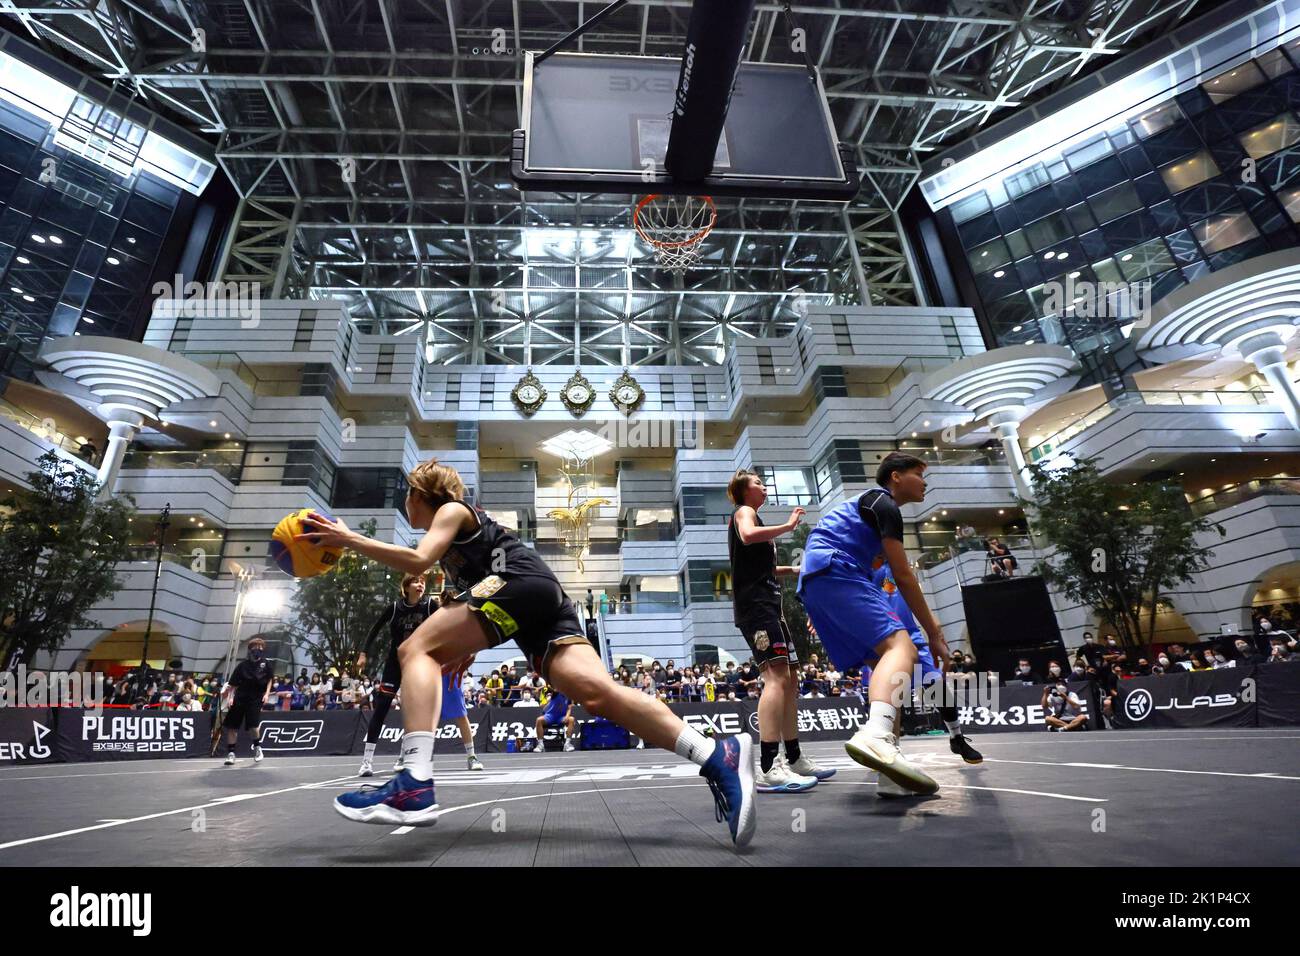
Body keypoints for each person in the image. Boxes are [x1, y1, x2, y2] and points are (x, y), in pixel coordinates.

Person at [302, 458, 756, 845]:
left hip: (519, 585)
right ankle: (718, 756)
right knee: (598, 694)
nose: (405, 503)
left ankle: (413, 781)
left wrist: (349, 539)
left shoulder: (452, 511)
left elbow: (419, 561)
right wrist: (460, 643)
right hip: (540, 601)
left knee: (412, 648)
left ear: (421, 494)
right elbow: (462, 594)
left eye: (407, 494)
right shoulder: (457, 546)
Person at [798, 451, 950, 794]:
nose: (925, 482)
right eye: (919, 473)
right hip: (835, 573)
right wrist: (935, 633)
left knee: (887, 665)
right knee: (902, 648)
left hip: (819, 583)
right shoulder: (884, 504)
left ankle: (889, 767)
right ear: (896, 476)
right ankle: (877, 735)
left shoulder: (863, 513)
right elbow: (904, 576)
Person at [726, 468, 831, 793]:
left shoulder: (758, 524)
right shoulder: (745, 514)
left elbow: (768, 570)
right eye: (758, 482)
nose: (763, 485)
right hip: (755, 609)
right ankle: (770, 765)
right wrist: (787, 526)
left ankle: (795, 757)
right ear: (745, 491)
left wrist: (799, 569)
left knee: (790, 680)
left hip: (773, 609)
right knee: (775, 679)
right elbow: (745, 534)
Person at [357, 576, 485, 776]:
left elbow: (448, 622)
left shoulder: (429, 606)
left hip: (420, 663)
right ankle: (367, 762)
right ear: (406, 587)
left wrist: (464, 646)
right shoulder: (394, 608)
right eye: (415, 581)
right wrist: (364, 652)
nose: (420, 584)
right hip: (396, 662)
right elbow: (375, 628)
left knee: (418, 711)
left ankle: (410, 757)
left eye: (423, 581)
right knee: (382, 707)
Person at [219, 637, 273, 766]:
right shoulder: (242, 666)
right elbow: (233, 684)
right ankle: (231, 754)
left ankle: (258, 748)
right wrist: (229, 695)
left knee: (253, 726)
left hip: (256, 698)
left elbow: (270, 679)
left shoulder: (266, 664)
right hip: (240, 698)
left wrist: (266, 694)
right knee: (232, 727)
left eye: (260, 649)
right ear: (250, 650)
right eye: (255, 648)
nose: (258, 651)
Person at [534, 687, 578, 753]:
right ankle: (540, 745)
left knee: (571, 719)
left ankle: (567, 744)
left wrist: (567, 716)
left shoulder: (569, 696)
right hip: (550, 716)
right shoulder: (556, 693)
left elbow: (569, 708)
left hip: (561, 717)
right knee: (539, 720)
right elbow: (552, 688)